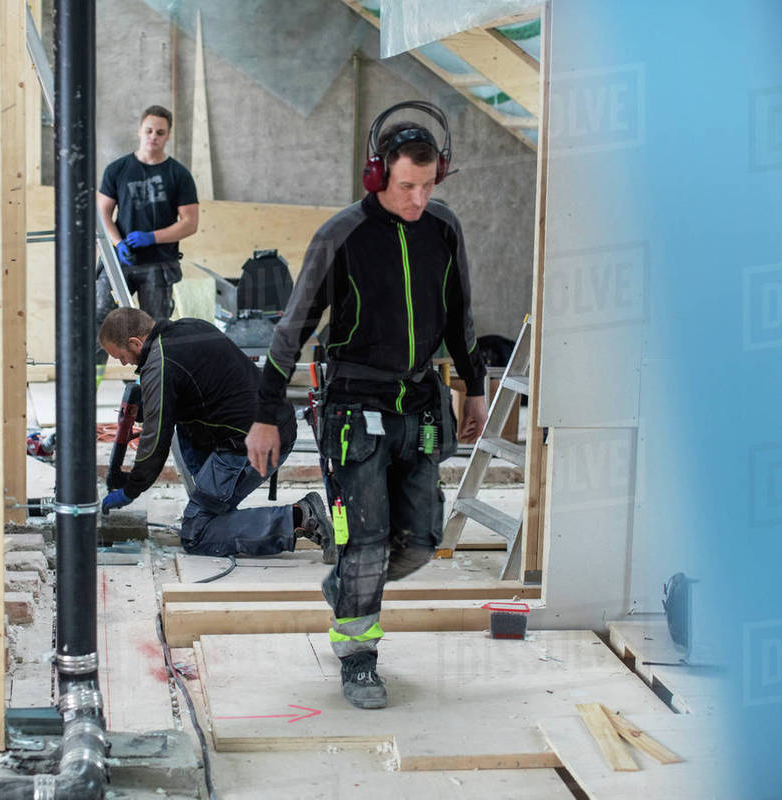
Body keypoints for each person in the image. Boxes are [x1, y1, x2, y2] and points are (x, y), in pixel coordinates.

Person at [246, 108, 488, 710]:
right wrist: (263, 412)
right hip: (355, 408)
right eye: (407, 185)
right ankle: (358, 657)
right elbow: (292, 327)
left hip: (420, 406)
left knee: (420, 541)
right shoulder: (342, 234)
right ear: (377, 174)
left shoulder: (443, 228)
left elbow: (460, 316)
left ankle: (349, 582)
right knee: (369, 541)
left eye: (429, 185)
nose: (418, 197)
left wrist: (476, 388)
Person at [98, 308, 334, 560]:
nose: (124, 363)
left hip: (251, 444)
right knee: (204, 496)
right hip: (267, 423)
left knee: (196, 533)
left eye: (121, 356)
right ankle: (211, 509)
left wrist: (132, 488)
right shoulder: (188, 326)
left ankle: (301, 516)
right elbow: (196, 387)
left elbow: (155, 441)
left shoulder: (160, 364)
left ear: (135, 342)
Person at [95, 105, 200, 380]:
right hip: (120, 262)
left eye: (160, 132)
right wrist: (117, 243)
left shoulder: (178, 174)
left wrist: (151, 237)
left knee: (154, 331)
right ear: (140, 131)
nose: (153, 136)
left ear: (168, 136)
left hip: (159, 264)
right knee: (97, 317)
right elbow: (101, 212)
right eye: (149, 130)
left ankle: (152, 386)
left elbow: (190, 222)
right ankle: (88, 386)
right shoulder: (118, 169)